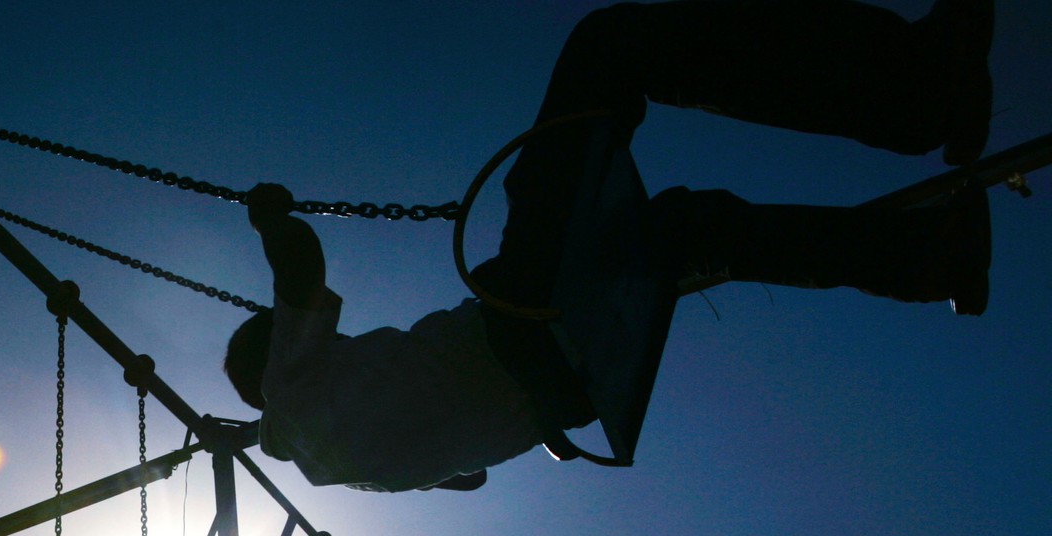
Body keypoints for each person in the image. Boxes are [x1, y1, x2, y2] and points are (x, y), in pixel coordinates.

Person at [225, 0, 995, 494]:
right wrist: (269, 220)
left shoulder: (340, 468)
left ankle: (935, 256)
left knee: (689, 230)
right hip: (526, 311)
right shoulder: (291, 386)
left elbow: (468, 483)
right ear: (271, 364)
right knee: (606, 48)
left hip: (576, 380)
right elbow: (299, 270)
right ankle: (917, 90)